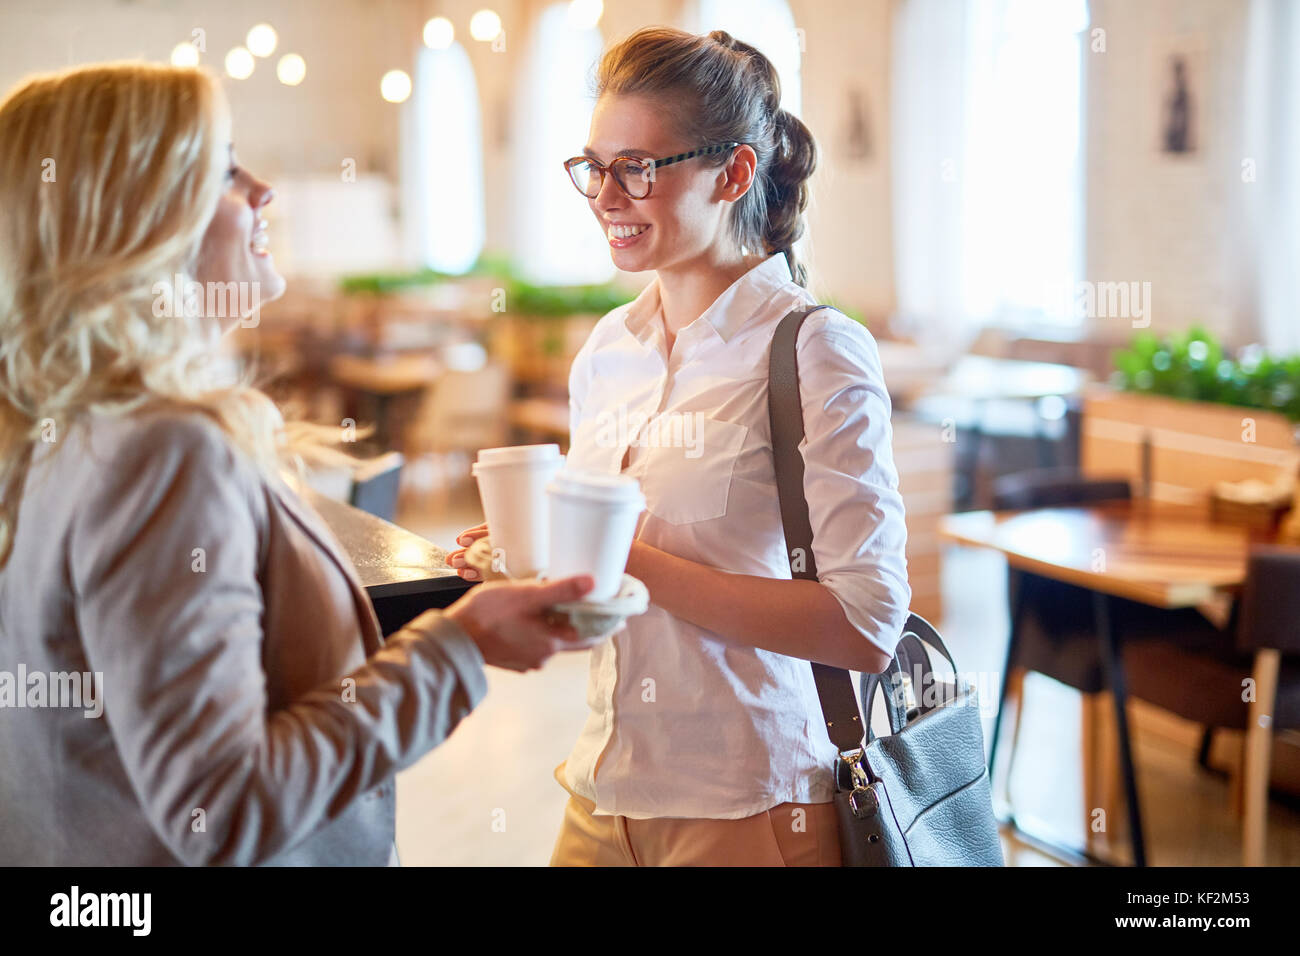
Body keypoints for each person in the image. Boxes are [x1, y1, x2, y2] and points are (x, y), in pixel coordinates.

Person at [0, 62, 596, 866]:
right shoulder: (166, 449)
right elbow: (224, 808)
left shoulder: (57, 419)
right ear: (131, 215)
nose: (264, 188)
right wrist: (458, 645)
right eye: (221, 167)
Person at [447, 27, 911, 866]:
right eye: (595, 166)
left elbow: (865, 624)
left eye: (638, 167)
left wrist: (619, 558)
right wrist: (537, 568)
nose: (604, 195)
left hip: (751, 806)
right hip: (600, 788)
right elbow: (618, 606)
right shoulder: (608, 349)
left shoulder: (814, 348)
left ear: (734, 173)